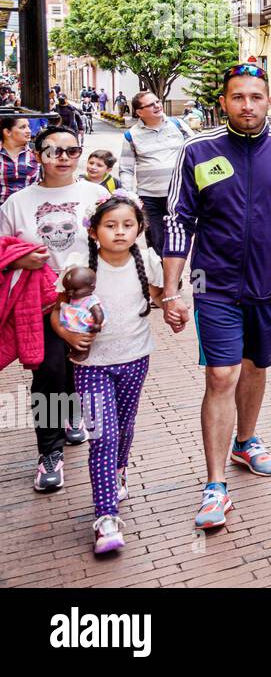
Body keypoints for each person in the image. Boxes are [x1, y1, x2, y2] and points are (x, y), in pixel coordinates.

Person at [162, 62, 271, 530]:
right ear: (223, 102)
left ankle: (245, 441)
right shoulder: (198, 149)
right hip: (212, 285)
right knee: (222, 374)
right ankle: (215, 487)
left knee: (255, 366)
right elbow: (178, 220)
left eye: (256, 97)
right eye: (238, 97)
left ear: (270, 101)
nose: (247, 105)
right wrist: (172, 291)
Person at [0, 125, 109, 491]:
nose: (63, 158)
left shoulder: (95, 194)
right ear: (37, 155)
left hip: (87, 301)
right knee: (48, 372)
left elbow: (120, 238)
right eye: (54, 151)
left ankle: (72, 413)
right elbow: (2, 249)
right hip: (40, 303)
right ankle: (50, 453)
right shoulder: (17, 204)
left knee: (78, 365)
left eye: (72, 150)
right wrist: (19, 261)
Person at [72, 192, 181, 554]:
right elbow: (61, 310)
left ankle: (118, 470)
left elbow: (161, 294)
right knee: (102, 435)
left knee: (124, 425)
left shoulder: (145, 259)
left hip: (135, 358)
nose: (119, 232)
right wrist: (70, 335)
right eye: (110, 225)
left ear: (139, 229)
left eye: (128, 225)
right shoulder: (79, 265)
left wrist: (172, 306)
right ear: (93, 231)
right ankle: (106, 518)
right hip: (89, 365)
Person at [118, 90, 191, 253]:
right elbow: (126, 169)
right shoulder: (131, 135)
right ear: (139, 112)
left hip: (180, 196)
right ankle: (162, 276)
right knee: (158, 243)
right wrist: (130, 196)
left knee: (181, 240)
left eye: (157, 101)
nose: (157, 105)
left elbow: (197, 152)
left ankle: (176, 277)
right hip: (151, 199)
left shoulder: (178, 125)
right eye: (151, 104)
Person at [0, 116, 40, 205]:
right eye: (22, 127)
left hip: (28, 209)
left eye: (28, 126)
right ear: (7, 132)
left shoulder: (36, 153)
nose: (29, 131)